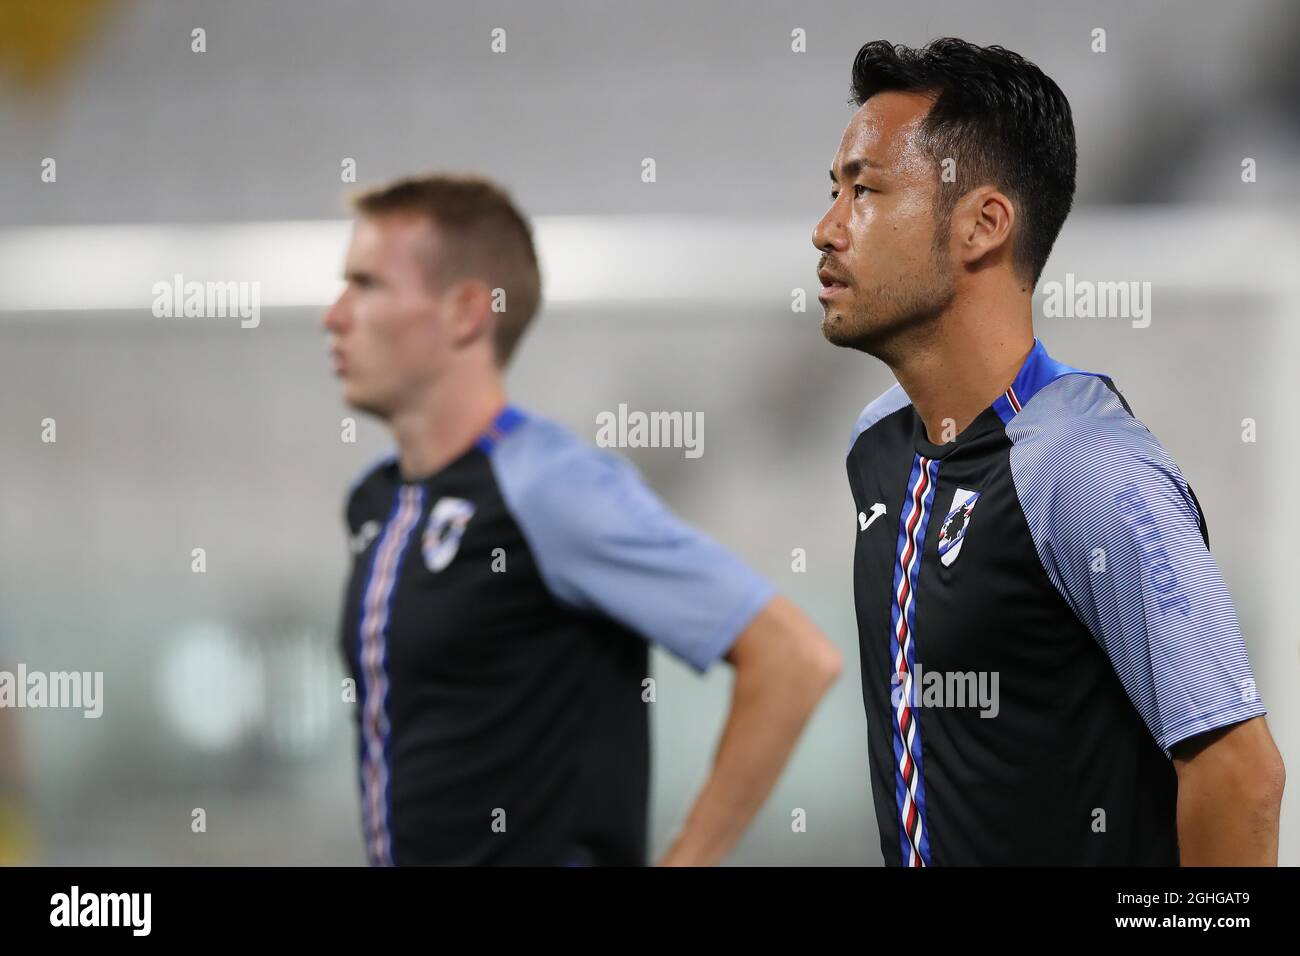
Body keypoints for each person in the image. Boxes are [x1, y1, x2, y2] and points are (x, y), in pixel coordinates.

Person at [814, 38, 1284, 865]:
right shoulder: (877, 445)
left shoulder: (1085, 467)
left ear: (983, 226)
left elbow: (1239, 773)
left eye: (866, 191)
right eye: (834, 191)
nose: (826, 230)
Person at [324, 173, 841, 866]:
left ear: (465, 312)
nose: (334, 314)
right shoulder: (375, 499)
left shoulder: (547, 485)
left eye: (367, 285)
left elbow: (794, 660)